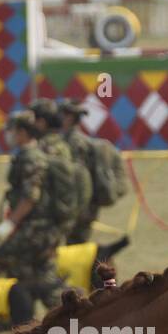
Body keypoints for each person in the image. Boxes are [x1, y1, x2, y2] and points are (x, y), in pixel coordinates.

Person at [0, 110, 65, 323]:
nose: (8, 135)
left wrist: (10, 223)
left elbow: (31, 196)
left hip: (35, 229)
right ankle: (63, 316)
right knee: (38, 278)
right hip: (41, 230)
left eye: (11, 130)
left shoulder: (31, 158)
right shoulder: (29, 154)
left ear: (22, 132)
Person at [57, 100, 100, 244]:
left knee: (76, 248)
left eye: (62, 115)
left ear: (69, 117)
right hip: (80, 205)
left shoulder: (75, 142)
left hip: (81, 206)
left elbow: (78, 178)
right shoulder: (71, 139)